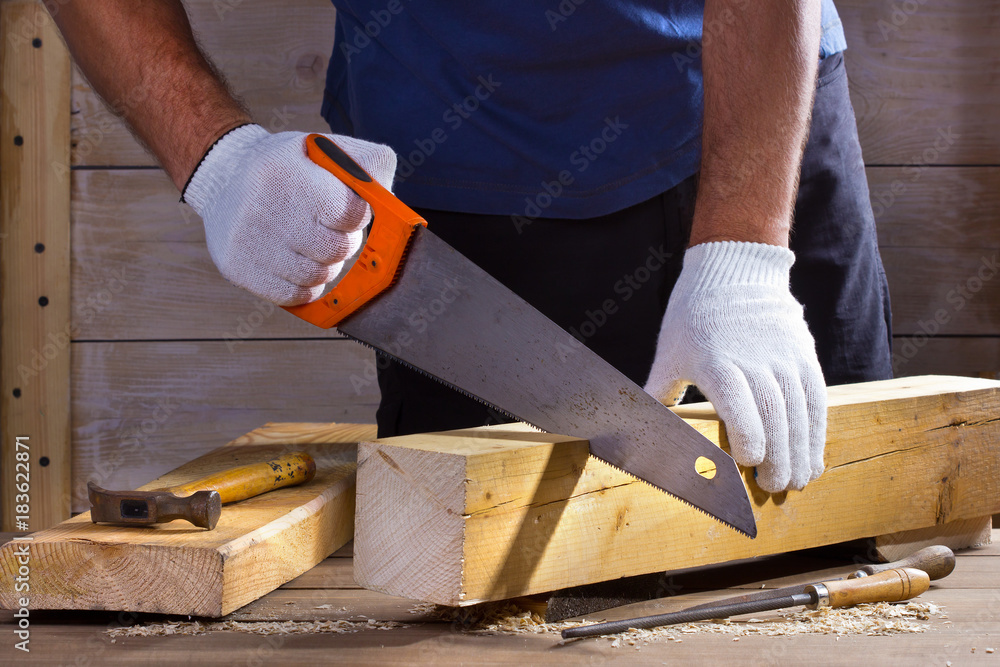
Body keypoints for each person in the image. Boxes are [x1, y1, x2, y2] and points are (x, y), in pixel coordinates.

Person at [50, 0, 891, 494]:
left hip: (754, 115)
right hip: (457, 162)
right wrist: (216, 158)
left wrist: (743, 256)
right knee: (485, 594)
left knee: (850, 537)